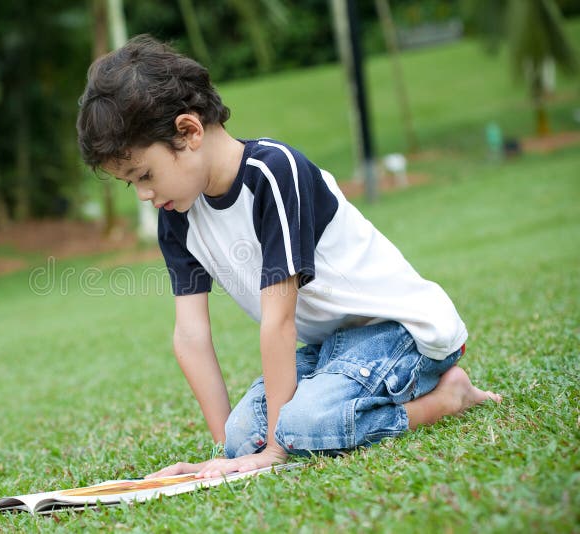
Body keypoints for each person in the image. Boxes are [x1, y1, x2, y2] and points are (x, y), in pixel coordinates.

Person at [76, 35, 501, 479]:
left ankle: (449, 397)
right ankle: (293, 429)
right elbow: (190, 335)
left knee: (299, 428)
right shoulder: (177, 213)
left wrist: (277, 449)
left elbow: (278, 319)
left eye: (144, 175)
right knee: (243, 435)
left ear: (190, 131)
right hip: (331, 349)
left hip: (401, 331)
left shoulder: (274, 172)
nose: (144, 194)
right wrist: (229, 454)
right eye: (131, 184)